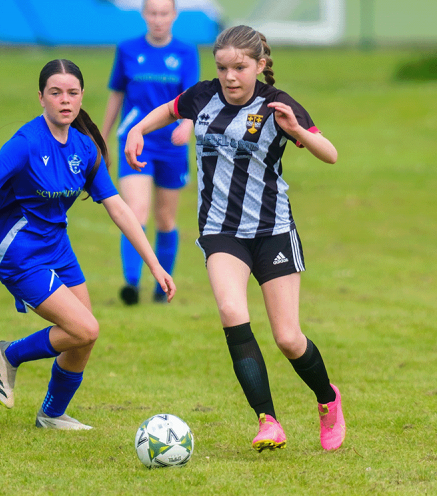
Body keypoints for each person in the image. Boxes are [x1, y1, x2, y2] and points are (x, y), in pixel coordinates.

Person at [0, 59, 176, 430]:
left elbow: (119, 208)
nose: (64, 100)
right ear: (41, 98)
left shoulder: (84, 148)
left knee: (83, 337)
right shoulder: (26, 143)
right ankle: (8, 354)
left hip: (57, 247)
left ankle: (51, 416)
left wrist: (154, 265)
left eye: (72, 93)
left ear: (82, 97)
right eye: (55, 93)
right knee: (85, 328)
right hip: (19, 252)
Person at [125, 26, 345, 452]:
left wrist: (297, 130)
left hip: (273, 230)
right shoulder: (202, 95)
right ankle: (268, 420)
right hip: (221, 231)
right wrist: (138, 130)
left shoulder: (278, 105)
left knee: (288, 338)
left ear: (260, 65)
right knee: (231, 311)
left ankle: (327, 400)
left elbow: (330, 153)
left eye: (240, 68)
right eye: (223, 67)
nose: (230, 77)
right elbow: (170, 110)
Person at [101, 0, 199, 305]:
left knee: (165, 219)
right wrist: (103, 135)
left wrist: (187, 125)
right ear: (144, 15)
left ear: (174, 16)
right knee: (136, 211)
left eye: (164, 13)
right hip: (134, 140)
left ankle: (162, 288)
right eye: (152, 13)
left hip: (171, 145)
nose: (158, 19)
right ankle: (131, 283)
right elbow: (117, 93)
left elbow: (191, 99)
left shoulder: (186, 52)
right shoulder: (128, 49)